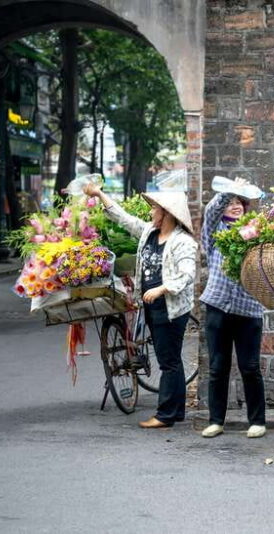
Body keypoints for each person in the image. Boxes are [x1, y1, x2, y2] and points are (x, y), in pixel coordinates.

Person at [85, 182, 197, 429]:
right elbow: (124, 219)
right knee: (172, 360)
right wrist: (100, 194)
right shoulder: (149, 233)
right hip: (152, 306)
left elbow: (187, 273)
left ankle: (165, 415)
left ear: (166, 213)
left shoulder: (183, 242)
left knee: (168, 361)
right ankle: (176, 411)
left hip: (170, 307)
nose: (150, 213)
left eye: (154, 208)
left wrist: (162, 288)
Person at [200, 179, 267, 439]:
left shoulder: (256, 231)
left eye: (239, 202)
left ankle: (257, 421)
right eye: (230, 202)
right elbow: (211, 211)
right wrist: (228, 190)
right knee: (218, 366)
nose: (235, 205)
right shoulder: (215, 232)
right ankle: (216, 420)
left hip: (249, 308)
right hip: (217, 305)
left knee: (250, 366)